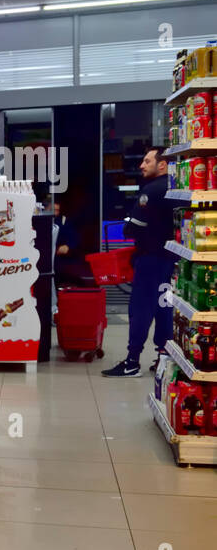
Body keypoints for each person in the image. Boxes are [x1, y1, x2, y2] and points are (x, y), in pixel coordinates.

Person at [102, 145, 173, 377]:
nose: (141, 165)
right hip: (170, 259)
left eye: (147, 161)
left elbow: (134, 227)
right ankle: (164, 356)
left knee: (140, 308)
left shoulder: (150, 190)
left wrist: (127, 227)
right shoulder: (176, 187)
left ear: (162, 164)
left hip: (149, 258)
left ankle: (132, 361)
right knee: (164, 306)